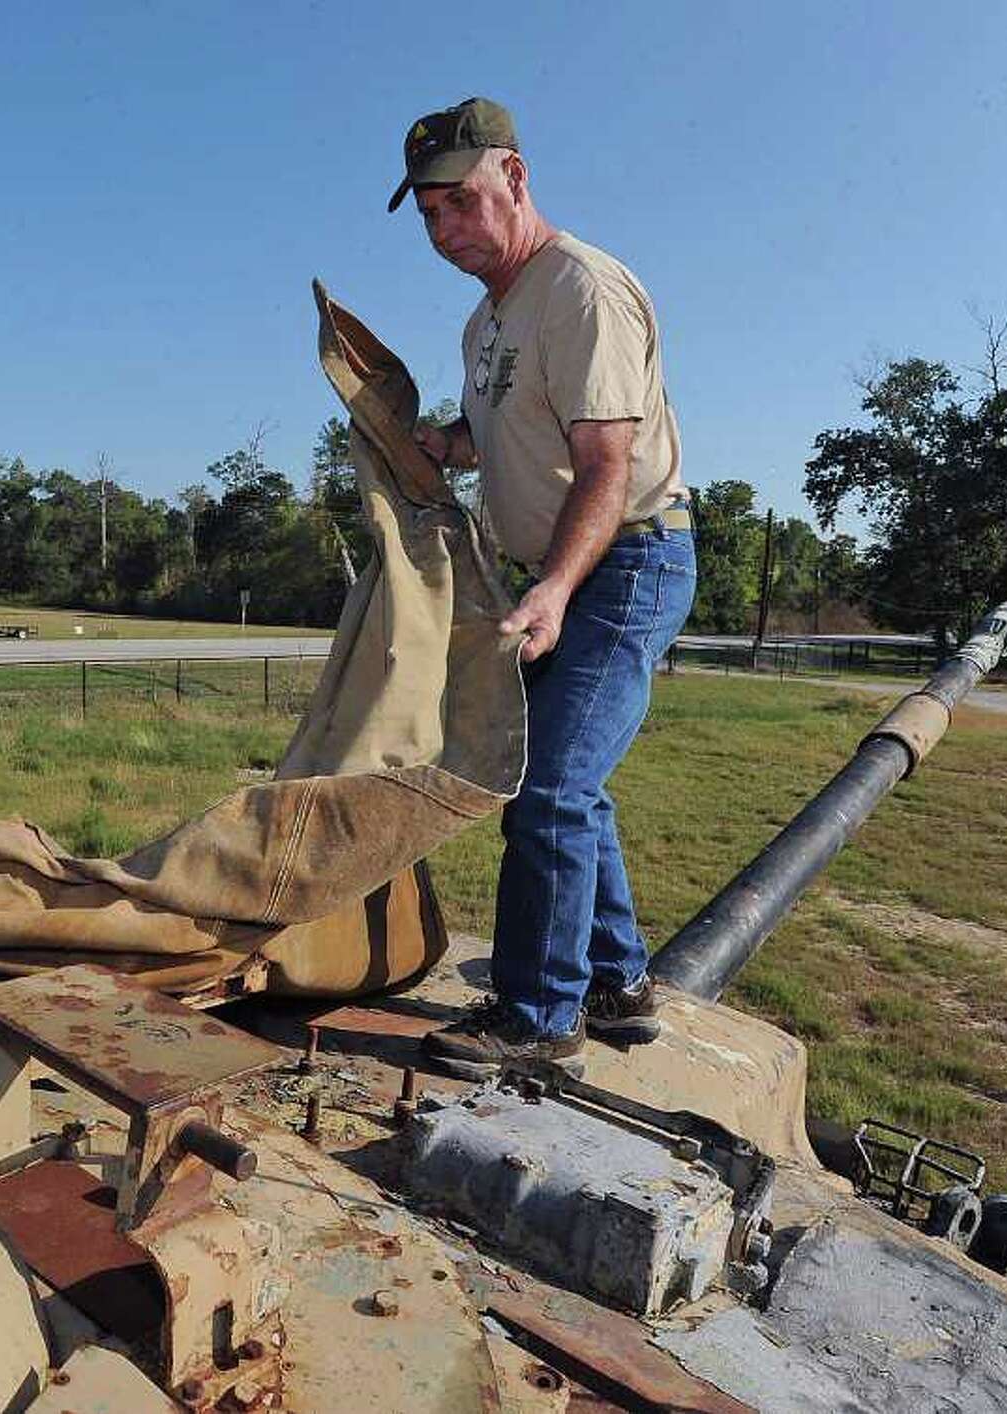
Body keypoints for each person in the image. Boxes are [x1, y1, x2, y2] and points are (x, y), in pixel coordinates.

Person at [390, 98, 697, 1073]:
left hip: (627, 561)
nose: (444, 231)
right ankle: (618, 982)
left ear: (515, 179)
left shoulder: (581, 289)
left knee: (550, 786)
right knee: (557, 778)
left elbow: (606, 463)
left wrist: (557, 588)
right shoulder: (486, 320)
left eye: (461, 203)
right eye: (429, 214)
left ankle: (537, 1017)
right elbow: (512, 426)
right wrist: (448, 443)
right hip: (568, 568)